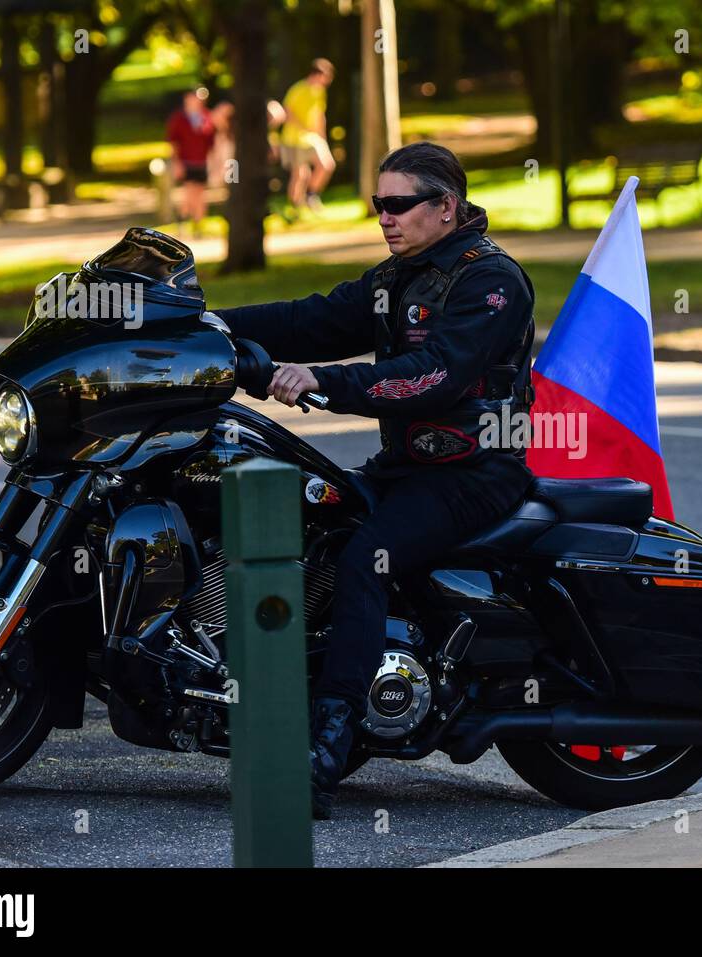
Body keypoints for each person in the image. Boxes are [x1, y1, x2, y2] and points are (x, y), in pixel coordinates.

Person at [216, 142, 536, 819]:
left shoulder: (490, 280)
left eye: (398, 205)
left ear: (445, 206)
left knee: (367, 559)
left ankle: (325, 751)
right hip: (408, 467)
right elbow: (313, 317)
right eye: (377, 206)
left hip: (474, 471)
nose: (385, 218)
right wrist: (207, 325)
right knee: (315, 524)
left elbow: (434, 374)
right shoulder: (400, 274)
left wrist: (323, 383)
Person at [279, 58, 337, 219]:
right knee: (300, 175)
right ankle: (294, 210)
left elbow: (319, 115)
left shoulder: (319, 92)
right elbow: (287, 112)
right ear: (317, 74)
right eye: (326, 76)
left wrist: (322, 136)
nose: (327, 81)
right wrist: (303, 128)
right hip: (293, 139)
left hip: (312, 138)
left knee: (327, 165)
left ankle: (311, 195)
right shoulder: (298, 89)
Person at [165, 88, 216, 235]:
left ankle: (198, 225)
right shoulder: (179, 119)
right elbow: (173, 143)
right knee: (189, 193)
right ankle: (183, 222)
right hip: (186, 161)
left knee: (200, 194)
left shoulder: (206, 116)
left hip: (202, 161)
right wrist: (176, 163)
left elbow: (211, 141)